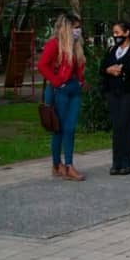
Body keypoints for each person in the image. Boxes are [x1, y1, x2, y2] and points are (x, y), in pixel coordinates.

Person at [38, 12, 87, 181]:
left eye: (79, 28)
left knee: (70, 129)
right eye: (75, 27)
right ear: (67, 28)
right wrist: (57, 82)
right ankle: (57, 164)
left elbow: (78, 67)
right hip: (59, 90)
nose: (78, 31)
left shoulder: (75, 46)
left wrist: (81, 81)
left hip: (74, 89)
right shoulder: (54, 44)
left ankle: (69, 165)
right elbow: (42, 65)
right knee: (58, 129)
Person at [100, 21, 130, 175]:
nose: (115, 36)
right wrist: (109, 70)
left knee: (126, 125)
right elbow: (102, 68)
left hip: (129, 92)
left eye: (118, 32)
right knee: (117, 127)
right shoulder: (112, 50)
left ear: (127, 33)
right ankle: (116, 161)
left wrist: (123, 69)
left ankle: (127, 161)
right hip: (113, 92)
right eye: (114, 33)